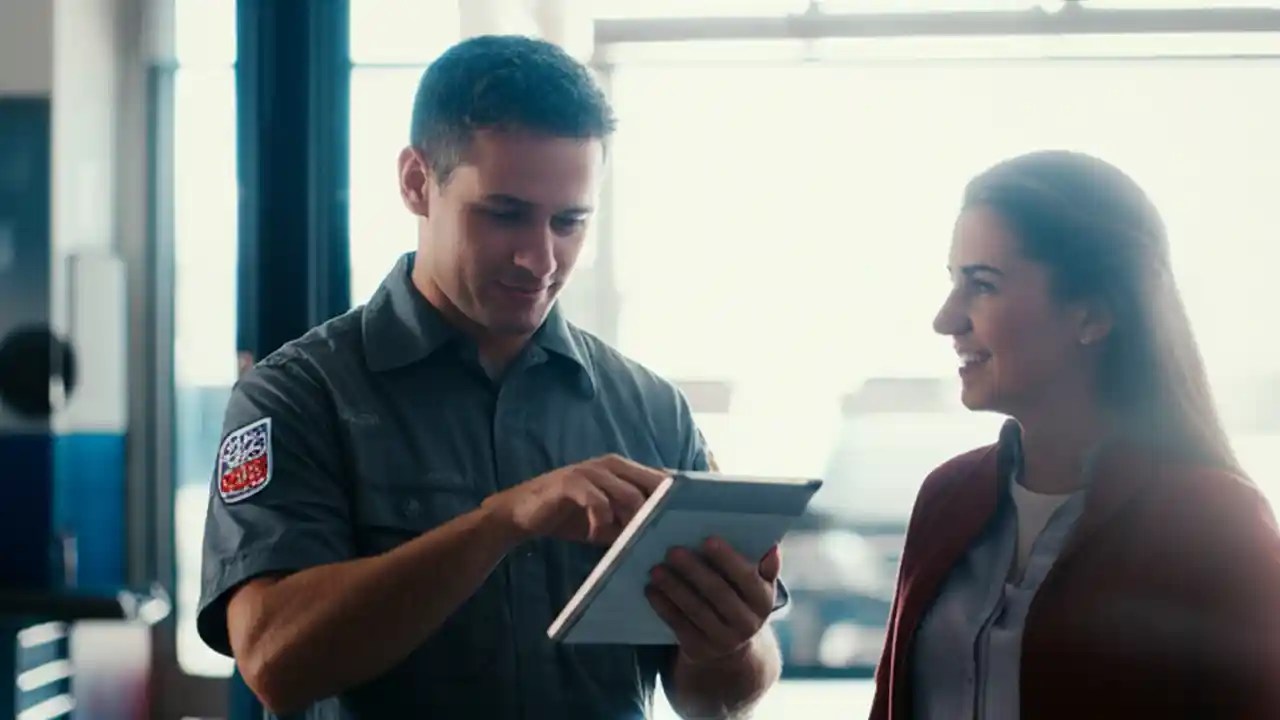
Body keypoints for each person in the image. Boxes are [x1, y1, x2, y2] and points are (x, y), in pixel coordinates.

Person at [197, 35, 785, 719]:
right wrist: (499, 523)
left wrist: (730, 645)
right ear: (418, 181)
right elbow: (274, 661)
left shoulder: (651, 409)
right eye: (504, 214)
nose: (540, 259)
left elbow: (713, 697)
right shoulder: (297, 396)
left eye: (569, 222)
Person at [869, 150, 1280, 719]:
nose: (947, 318)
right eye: (953, 282)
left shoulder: (1215, 522)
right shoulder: (946, 497)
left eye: (982, 285)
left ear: (1093, 315)